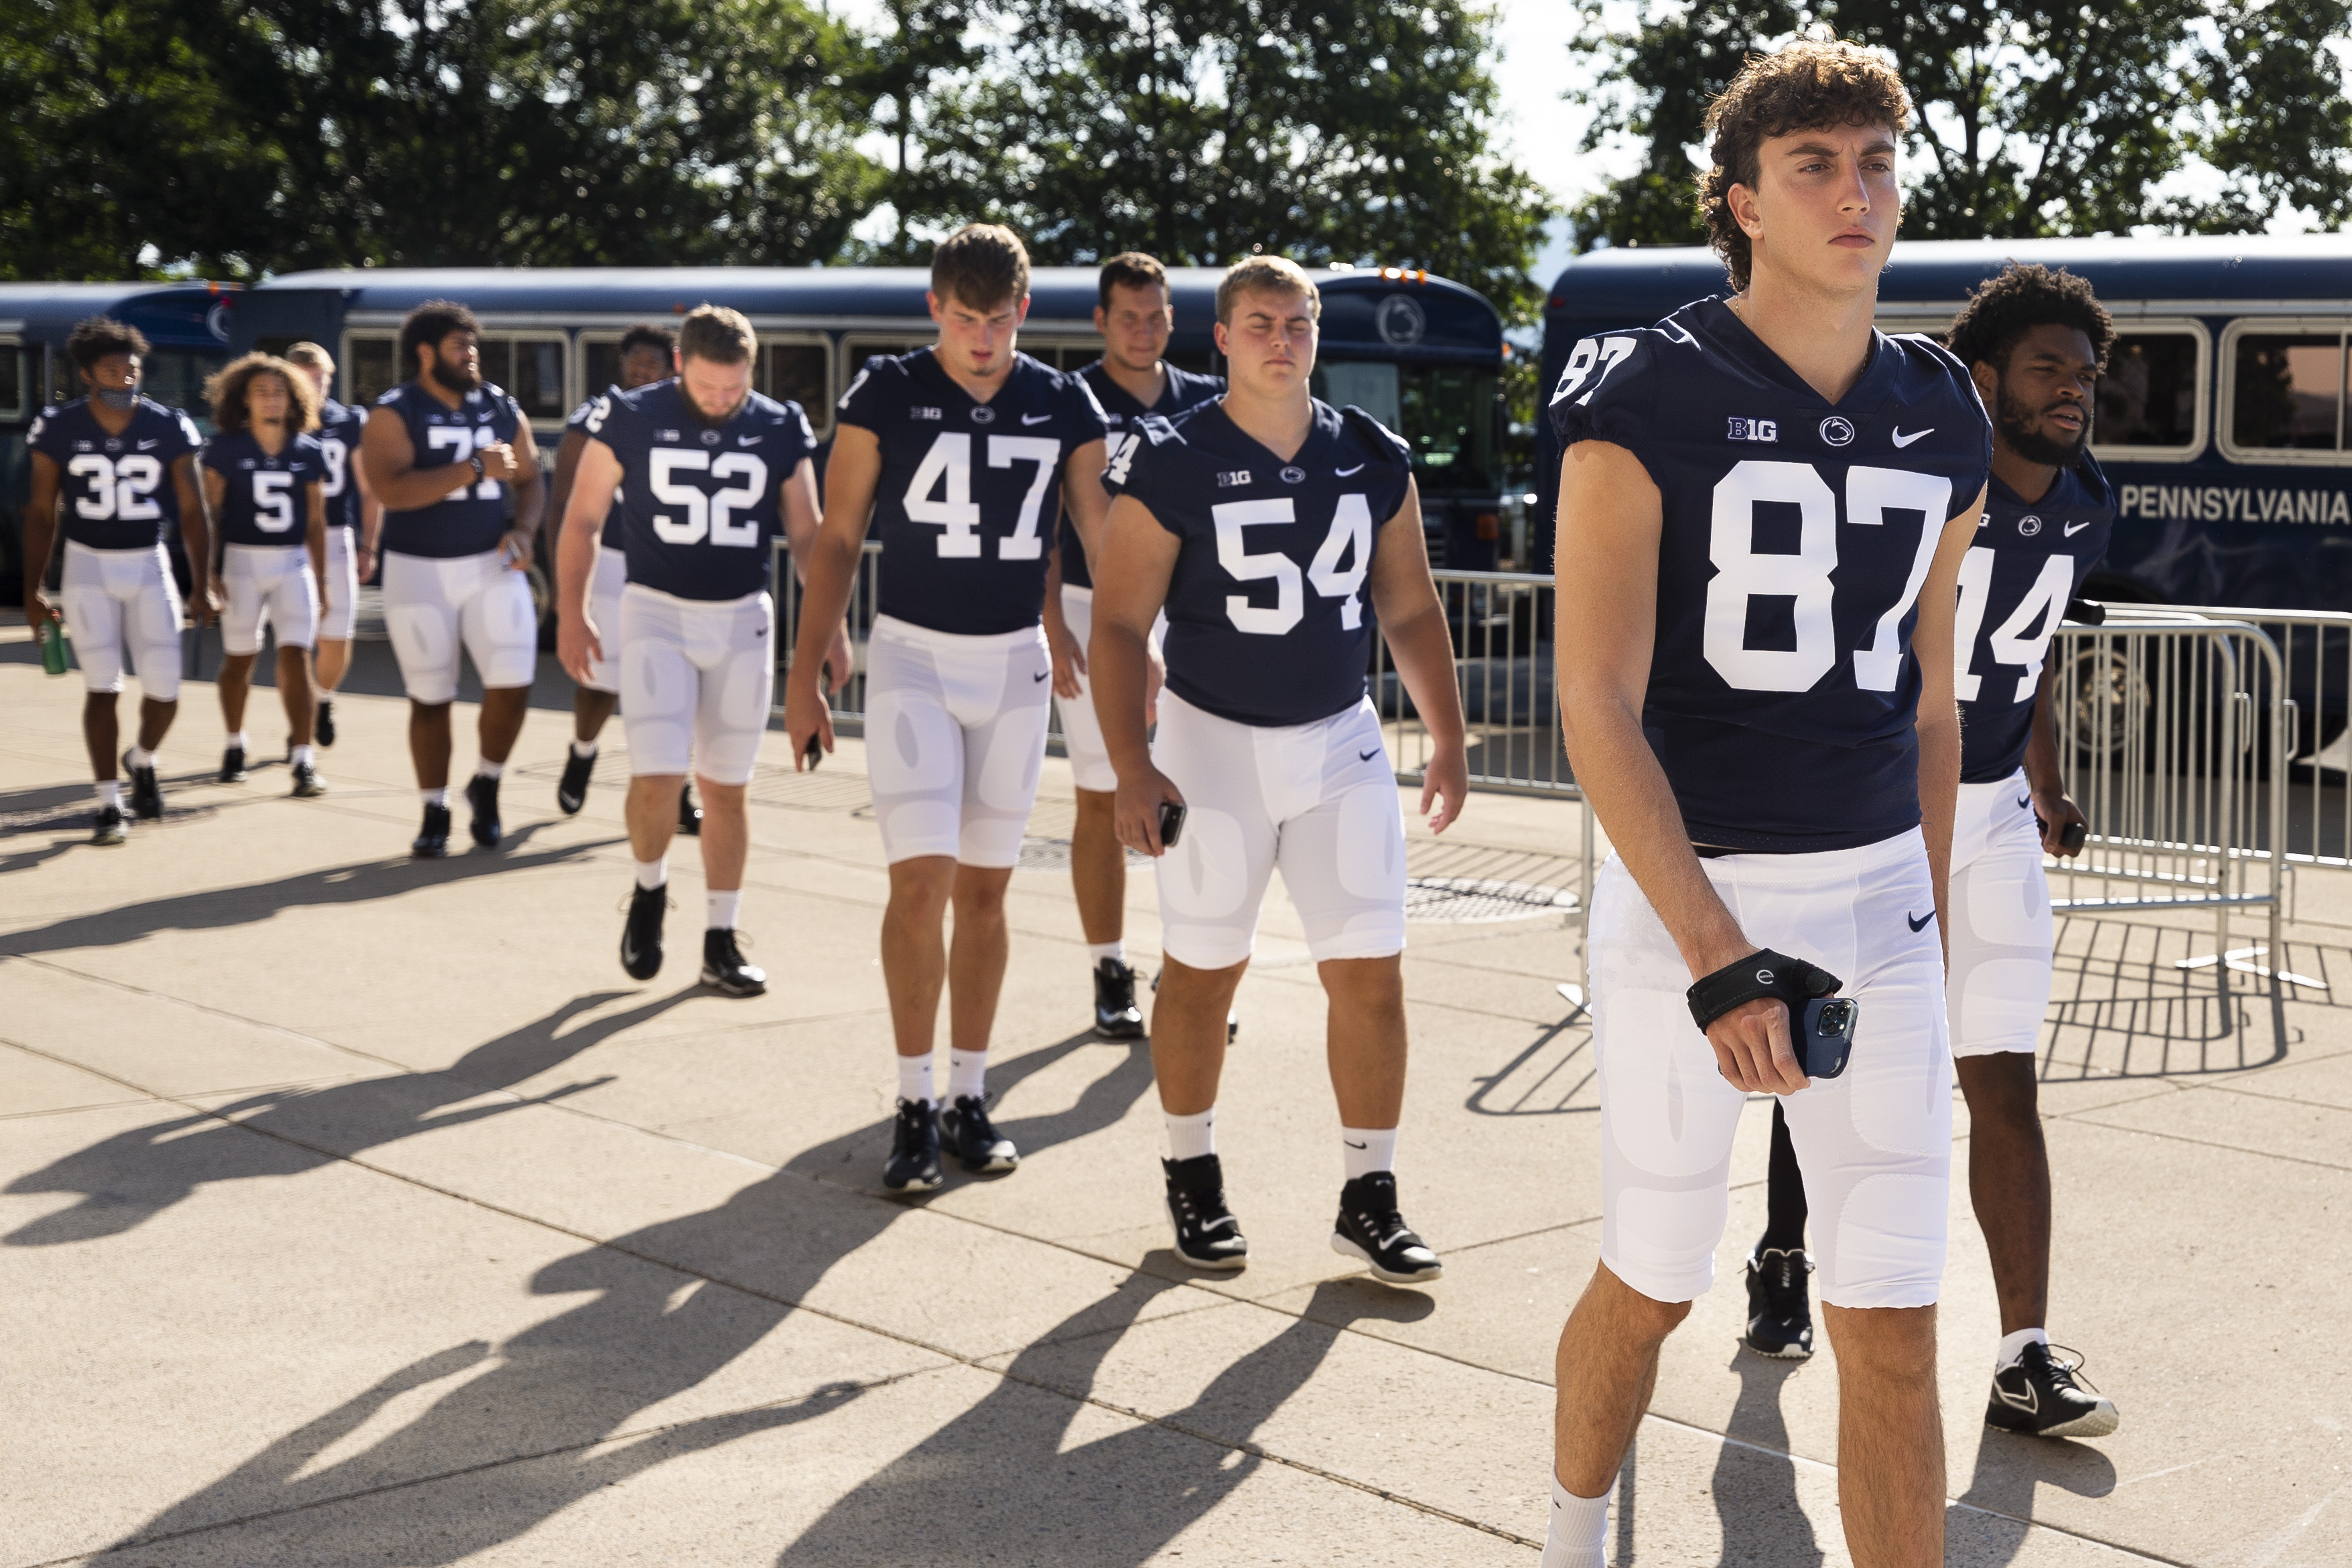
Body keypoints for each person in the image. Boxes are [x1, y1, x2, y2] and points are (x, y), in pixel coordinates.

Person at [1541, 41, 1992, 1568]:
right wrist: (1713, 950)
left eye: (1875, 163)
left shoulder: (1943, 408)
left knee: (1894, 1322)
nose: (1855, 193)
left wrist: (1929, 915)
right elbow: (1594, 701)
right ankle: (1571, 1534)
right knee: (1653, 1278)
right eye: (1813, 166)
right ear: (1741, 201)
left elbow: (1930, 699)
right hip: (1695, 895)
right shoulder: (1650, 387)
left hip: (1874, 897)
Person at [1746, 263, 2122, 1441]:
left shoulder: (2084, 497)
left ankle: (2022, 1355)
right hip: (1881, 807)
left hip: (1993, 807)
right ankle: (1782, 1252)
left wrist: (2045, 782)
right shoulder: (1922, 480)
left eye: (2085, 371)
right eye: (2048, 367)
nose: (2072, 389)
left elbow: (2032, 646)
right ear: (1984, 377)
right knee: (1833, 1051)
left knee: (2002, 1076)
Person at [1091, 255, 1469, 1285]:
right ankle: (1191, 1171)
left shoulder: (1369, 453)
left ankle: (1368, 1194)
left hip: (1338, 739)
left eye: (1296, 322)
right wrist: (1129, 764)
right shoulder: (1171, 455)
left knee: (1371, 973)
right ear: (1220, 338)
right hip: (1208, 743)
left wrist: (1445, 735)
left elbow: (1407, 604)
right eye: (1258, 323)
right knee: (1202, 972)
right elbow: (1118, 623)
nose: (1280, 339)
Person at [784, 224, 1113, 1193]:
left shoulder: (1063, 401)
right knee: (920, 883)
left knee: (985, 893)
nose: (981, 338)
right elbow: (837, 538)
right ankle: (912, 1098)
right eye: (965, 318)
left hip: (1013, 665)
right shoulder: (885, 391)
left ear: (1024, 312)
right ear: (934, 307)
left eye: (999, 319)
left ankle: (969, 1092)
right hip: (915, 658)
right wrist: (802, 673)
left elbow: (1103, 538)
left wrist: (1143, 647)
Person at [558, 305, 837, 996]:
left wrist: (828, 625)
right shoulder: (630, 414)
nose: (719, 399)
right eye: (707, 385)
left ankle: (720, 936)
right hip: (656, 612)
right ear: (680, 364)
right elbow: (584, 517)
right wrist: (572, 611)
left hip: (742, 621)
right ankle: (649, 887)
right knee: (658, 777)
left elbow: (808, 534)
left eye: (733, 386)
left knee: (726, 788)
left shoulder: (778, 423)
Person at [1040, 251, 1225, 1041]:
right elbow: (1044, 521)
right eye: (1128, 317)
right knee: (1102, 793)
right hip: (1095, 613)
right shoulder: (1070, 399)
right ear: (1100, 321)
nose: (1143, 330)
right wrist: (1053, 623)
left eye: (1155, 317)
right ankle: (1108, 967)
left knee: (1201, 792)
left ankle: (1197, 966)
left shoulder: (1204, 399)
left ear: (1172, 319)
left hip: (1189, 613)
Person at [360, 300, 545, 857]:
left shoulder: (499, 406)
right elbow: (391, 491)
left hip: (491, 564)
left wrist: (525, 530)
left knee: (514, 681)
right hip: (418, 570)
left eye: (473, 345)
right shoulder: (395, 411)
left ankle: (487, 780)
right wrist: (473, 468)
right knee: (431, 696)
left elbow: (531, 479)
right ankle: (434, 807)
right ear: (426, 352)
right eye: (459, 346)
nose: (471, 355)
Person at [21, 316, 209, 845]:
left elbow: (193, 510)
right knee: (102, 687)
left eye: (132, 370)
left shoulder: (168, 425)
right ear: (87, 374)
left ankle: (142, 758)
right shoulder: (58, 427)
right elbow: (41, 511)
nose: (125, 379)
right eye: (113, 370)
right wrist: (33, 590)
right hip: (88, 566)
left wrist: (204, 582)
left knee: (166, 690)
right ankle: (108, 801)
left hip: (149, 562)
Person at [550, 324, 698, 829]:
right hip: (611, 561)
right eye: (634, 360)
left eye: (651, 363)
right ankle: (582, 751)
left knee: (679, 685)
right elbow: (563, 504)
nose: (641, 370)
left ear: (671, 367)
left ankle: (679, 786)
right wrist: (563, 588)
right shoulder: (597, 416)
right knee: (602, 680)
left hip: (671, 565)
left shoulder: (690, 414)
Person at [198, 354, 331, 797]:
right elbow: (211, 515)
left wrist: (323, 580)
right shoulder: (225, 448)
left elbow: (316, 522)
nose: (271, 400)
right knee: (241, 657)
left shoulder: (307, 450)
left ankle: (303, 756)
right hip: (242, 562)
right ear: (244, 399)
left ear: (294, 399)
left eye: (279, 392)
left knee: (297, 656)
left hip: (292, 562)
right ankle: (234, 743)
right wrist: (208, 571)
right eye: (261, 392)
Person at [281, 342, 381, 752]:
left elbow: (370, 490)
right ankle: (299, 722)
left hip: (337, 534)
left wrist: (369, 546)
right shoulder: (275, 419)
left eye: (320, 378)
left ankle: (322, 700)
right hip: (286, 539)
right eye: (305, 379)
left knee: (336, 636)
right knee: (294, 641)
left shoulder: (349, 421)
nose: (314, 386)